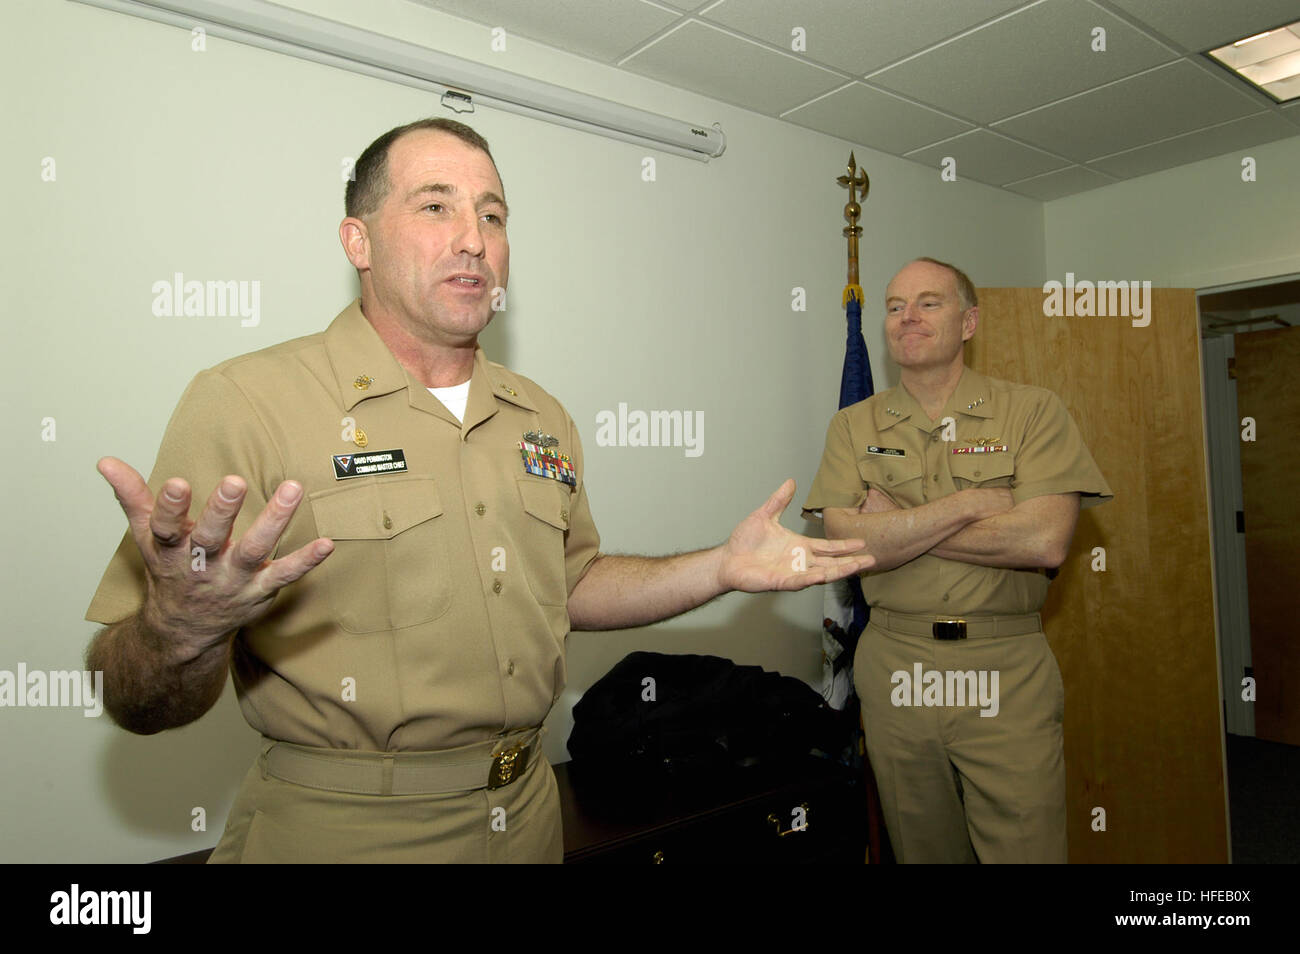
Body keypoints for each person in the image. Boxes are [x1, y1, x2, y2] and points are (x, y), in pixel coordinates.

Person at [83, 118, 874, 864]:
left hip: (528, 810)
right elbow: (131, 694)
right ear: (357, 241)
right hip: (349, 829)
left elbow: (569, 585)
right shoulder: (249, 400)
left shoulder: (541, 416)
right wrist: (177, 631)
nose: (474, 240)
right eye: (436, 206)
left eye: (493, 216)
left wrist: (722, 567)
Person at [803, 257, 1112, 863]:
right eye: (894, 307)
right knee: (923, 850)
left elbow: (1044, 541)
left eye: (928, 303)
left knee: (1027, 848)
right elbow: (845, 542)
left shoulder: (1031, 411)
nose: (906, 317)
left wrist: (896, 523)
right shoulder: (850, 425)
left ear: (969, 321)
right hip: (896, 665)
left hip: (1005, 667)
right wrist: (969, 504)